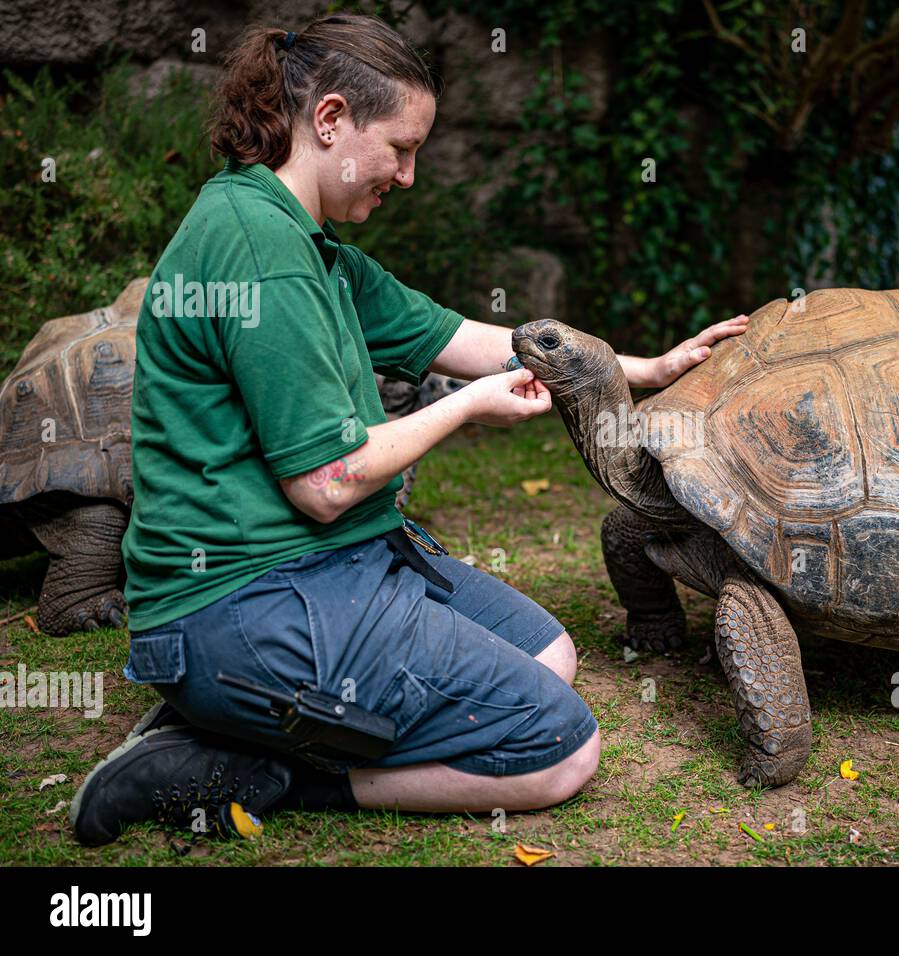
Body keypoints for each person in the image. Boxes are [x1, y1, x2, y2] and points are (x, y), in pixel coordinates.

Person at [70, 13, 748, 846]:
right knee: (558, 750)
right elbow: (325, 485)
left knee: (550, 657)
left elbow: (464, 337)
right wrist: (463, 407)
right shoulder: (261, 252)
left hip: (328, 565)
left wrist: (640, 368)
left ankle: (254, 724)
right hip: (239, 600)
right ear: (329, 121)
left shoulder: (310, 246)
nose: (410, 174)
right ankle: (261, 769)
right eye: (400, 147)